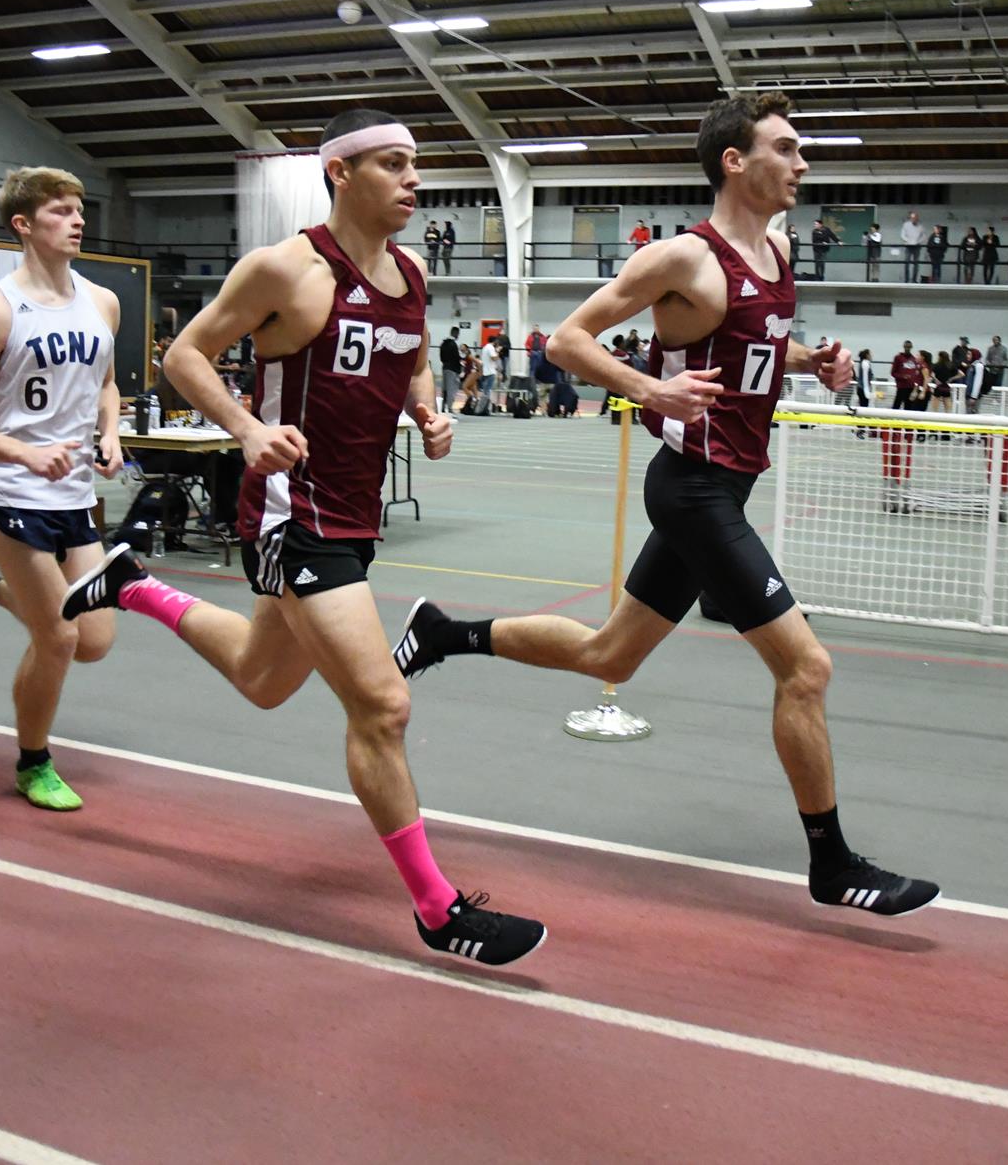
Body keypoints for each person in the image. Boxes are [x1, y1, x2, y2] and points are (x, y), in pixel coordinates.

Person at [388, 93, 939, 926]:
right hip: (693, 489)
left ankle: (444, 632)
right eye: (786, 149)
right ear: (736, 161)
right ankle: (832, 864)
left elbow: (753, 348)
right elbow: (565, 340)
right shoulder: (684, 258)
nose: (803, 164)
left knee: (609, 651)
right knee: (807, 668)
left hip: (729, 484)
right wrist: (651, 388)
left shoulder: (780, 252)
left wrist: (810, 361)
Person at [55, 108, 545, 966]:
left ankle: (131, 582)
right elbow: (185, 357)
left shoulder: (413, 273)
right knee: (382, 703)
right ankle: (438, 908)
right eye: (393, 165)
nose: (414, 181)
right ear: (341, 174)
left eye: (416, 166)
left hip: (356, 517)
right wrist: (247, 429)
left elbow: (413, 352)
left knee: (261, 676)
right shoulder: (287, 267)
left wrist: (426, 409)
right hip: (294, 513)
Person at [0, 167, 124, 812]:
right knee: (59, 638)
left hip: (71, 493)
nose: (78, 220)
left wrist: (110, 434)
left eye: (79, 209)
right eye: (61, 211)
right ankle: (32, 761)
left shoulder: (102, 302)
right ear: (23, 225)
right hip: (9, 488)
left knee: (94, 639)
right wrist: (23, 451)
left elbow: (106, 383)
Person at [890, 340, 926, 411]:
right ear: (903, 347)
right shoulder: (898, 358)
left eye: (909, 347)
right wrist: (902, 376)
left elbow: (917, 373)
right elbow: (893, 373)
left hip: (911, 387)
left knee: (909, 407)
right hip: (901, 387)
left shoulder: (914, 359)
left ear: (911, 347)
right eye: (906, 347)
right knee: (896, 405)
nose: (907, 348)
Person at [437, 326, 462, 411]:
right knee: (451, 389)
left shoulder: (443, 343)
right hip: (452, 369)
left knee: (445, 388)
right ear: (455, 333)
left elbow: (441, 357)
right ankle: (450, 407)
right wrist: (459, 369)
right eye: (458, 334)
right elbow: (456, 358)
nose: (458, 336)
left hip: (444, 367)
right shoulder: (453, 344)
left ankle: (443, 407)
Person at [899, 211, 923, 282]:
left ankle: (914, 279)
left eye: (915, 218)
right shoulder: (906, 225)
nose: (913, 219)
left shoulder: (920, 226)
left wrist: (917, 241)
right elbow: (902, 235)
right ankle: (906, 279)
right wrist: (908, 240)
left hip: (917, 246)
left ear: (917, 218)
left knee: (916, 263)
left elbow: (923, 236)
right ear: (910, 218)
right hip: (908, 246)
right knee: (907, 262)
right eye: (912, 218)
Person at [961, 348, 985, 413]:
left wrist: (974, 397)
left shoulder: (978, 366)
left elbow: (978, 382)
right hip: (969, 395)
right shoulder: (972, 365)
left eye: (969, 354)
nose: (967, 356)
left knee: (973, 415)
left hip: (973, 396)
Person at [810, 216, 833, 281]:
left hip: (824, 249)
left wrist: (838, 241)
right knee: (817, 263)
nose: (815, 225)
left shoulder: (826, 230)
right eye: (814, 224)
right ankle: (817, 276)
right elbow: (814, 240)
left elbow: (832, 235)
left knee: (822, 263)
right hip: (816, 249)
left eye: (816, 224)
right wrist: (822, 241)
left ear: (820, 224)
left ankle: (822, 276)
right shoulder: (814, 231)